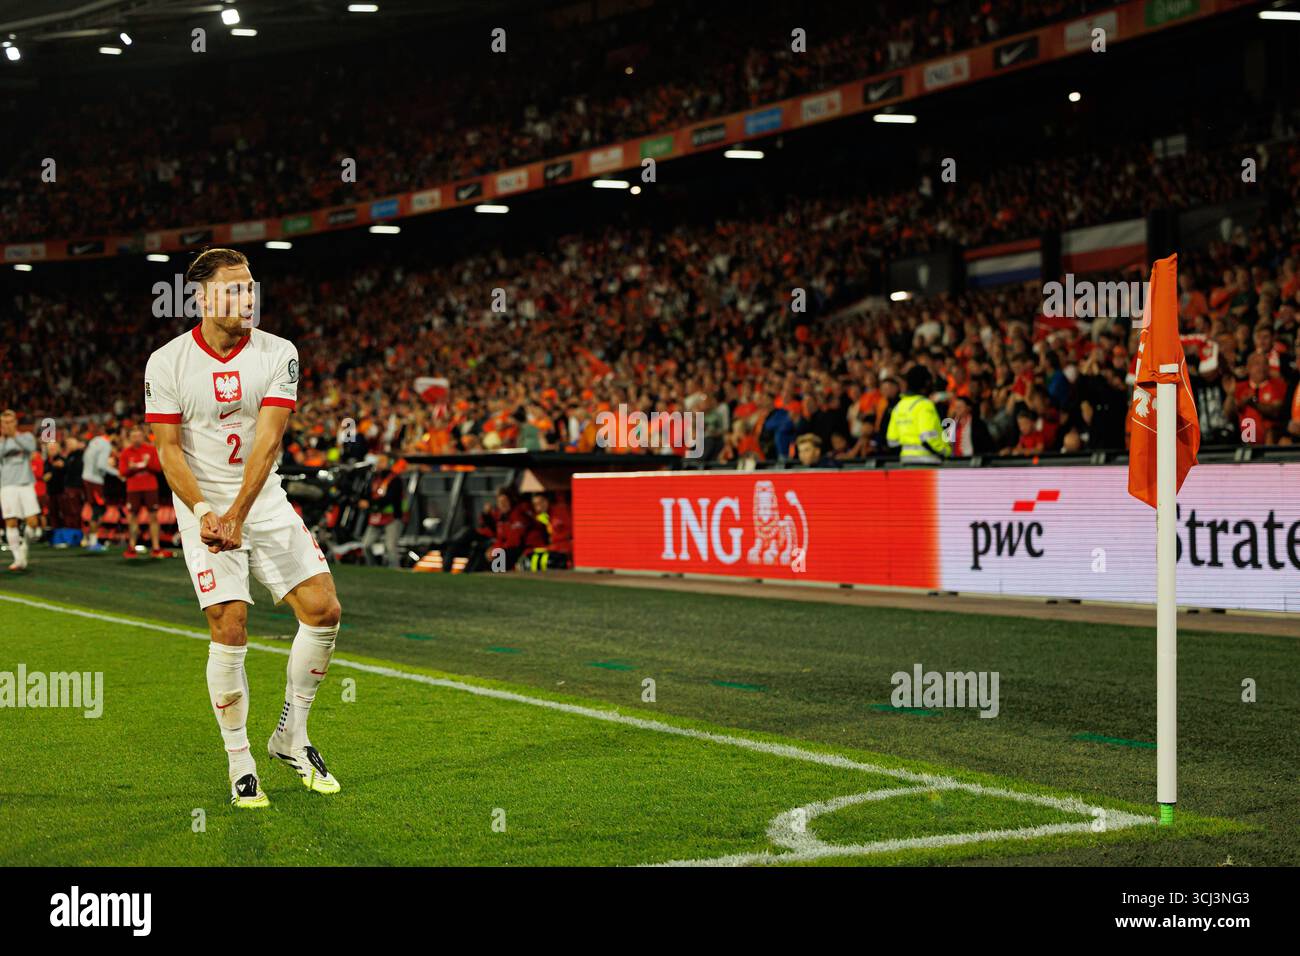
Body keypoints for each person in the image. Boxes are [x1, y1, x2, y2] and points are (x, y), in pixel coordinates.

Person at [144, 247, 342, 809]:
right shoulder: (168, 363)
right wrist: (209, 512)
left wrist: (240, 512)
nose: (246, 297)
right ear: (202, 298)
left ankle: (291, 736)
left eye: (250, 286)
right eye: (232, 289)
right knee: (230, 627)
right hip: (201, 508)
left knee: (324, 610)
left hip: (262, 502)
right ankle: (241, 762)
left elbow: (269, 440)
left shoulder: (279, 352)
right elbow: (168, 450)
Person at [0, 410, 40, 571]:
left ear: (16, 423)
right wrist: (4, 439)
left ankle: (25, 546)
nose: (8, 425)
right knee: (11, 521)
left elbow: (32, 447)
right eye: (5, 423)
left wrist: (14, 436)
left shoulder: (26, 437)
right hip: (7, 485)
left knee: (33, 522)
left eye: (10, 422)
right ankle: (18, 559)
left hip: (25, 483)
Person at [118, 425, 167, 557]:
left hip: (150, 487)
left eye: (139, 435)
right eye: (134, 436)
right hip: (133, 489)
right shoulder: (125, 453)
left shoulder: (151, 450)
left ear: (143, 436)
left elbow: (158, 468)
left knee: (153, 517)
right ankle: (132, 547)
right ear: (130, 438)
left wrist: (147, 464)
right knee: (132, 518)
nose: (136, 438)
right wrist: (133, 468)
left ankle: (156, 548)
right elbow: (122, 472)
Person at [886, 366, 951, 464]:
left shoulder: (899, 406)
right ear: (926, 383)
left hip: (906, 461)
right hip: (928, 461)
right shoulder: (924, 404)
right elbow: (928, 436)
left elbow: (892, 441)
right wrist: (946, 452)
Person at [358, 453, 404, 567]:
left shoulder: (395, 479)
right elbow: (367, 494)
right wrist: (363, 501)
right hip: (376, 517)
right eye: (378, 461)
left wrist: (370, 504)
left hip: (392, 517)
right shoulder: (374, 478)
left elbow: (390, 498)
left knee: (390, 546)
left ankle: (395, 571)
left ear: (390, 463)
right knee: (366, 545)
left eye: (382, 461)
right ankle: (373, 568)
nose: (379, 464)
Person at [81, 425, 118, 550]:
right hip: (95, 480)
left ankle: (91, 540)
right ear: (114, 436)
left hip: (87, 477)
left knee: (96, 510)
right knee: (99, 510)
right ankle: (92, 541)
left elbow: (85, 457)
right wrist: (118, 473)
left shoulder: (95, 440)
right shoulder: (106, 444)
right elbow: (101, 465)